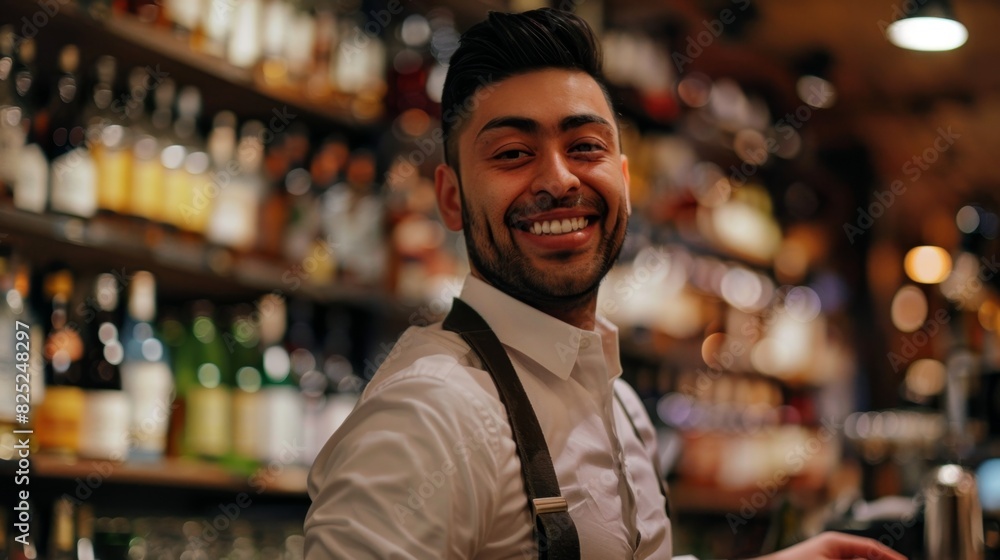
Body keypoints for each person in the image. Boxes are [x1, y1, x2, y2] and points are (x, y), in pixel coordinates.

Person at [304, 8, 908, 560]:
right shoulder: (429, 414)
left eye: (584, 146)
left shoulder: (618, 402)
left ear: (622, 179)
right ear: (452, 198)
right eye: (513, 153)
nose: (559, 179)